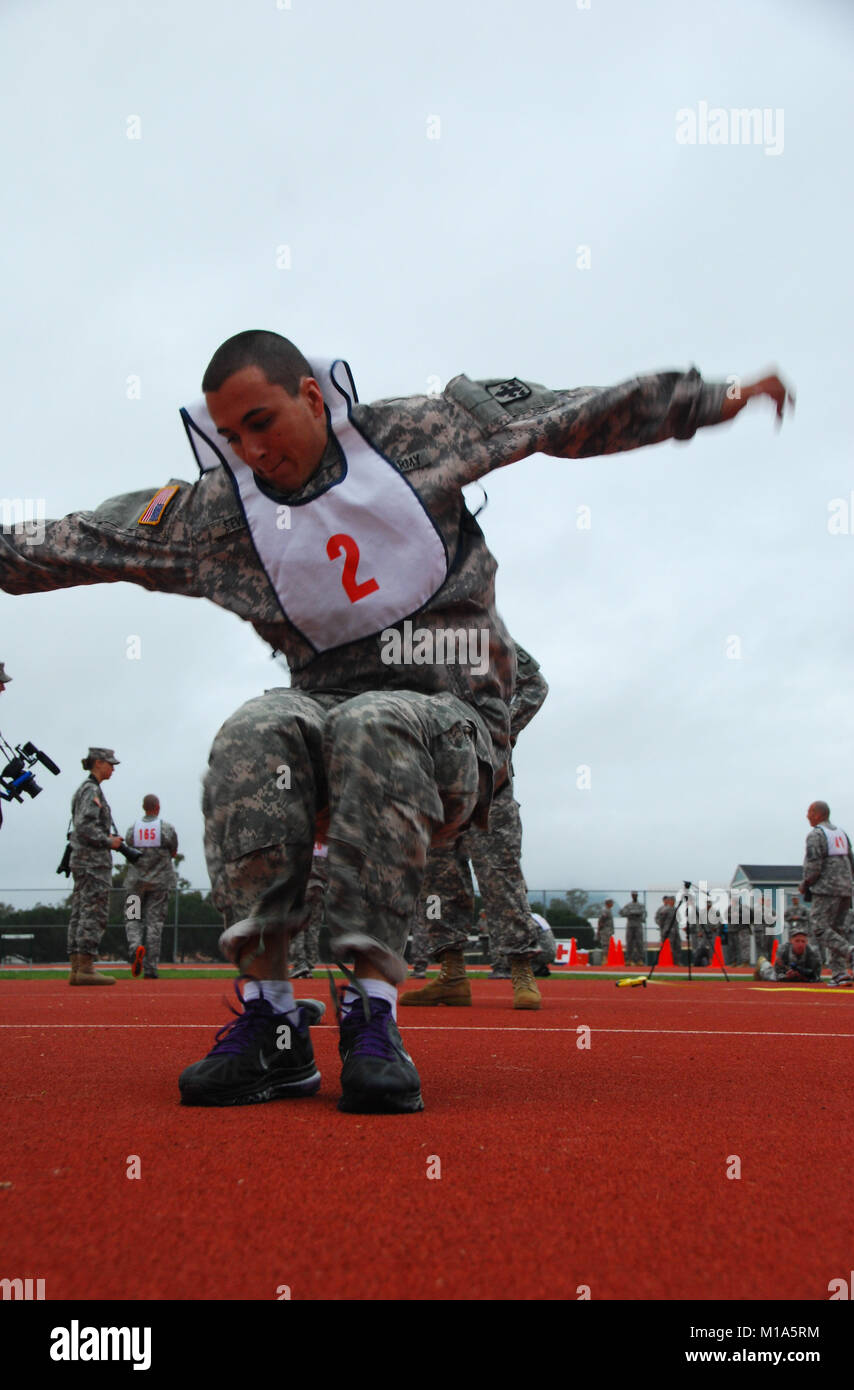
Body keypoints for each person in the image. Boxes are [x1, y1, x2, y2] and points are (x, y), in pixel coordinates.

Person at [0, 330, 792, 1112]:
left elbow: (565, 415)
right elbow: (83, 540)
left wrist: (710, 398)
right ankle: (273, 1023)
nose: (254, 451)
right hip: (329, 724)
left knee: (376, 721)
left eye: (263, 422)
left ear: (312, 397)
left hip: (452, 727)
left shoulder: (417, 435)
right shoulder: (223, 516)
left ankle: (373, 1015)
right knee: (252, 731)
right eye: (233, 436)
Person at [401, 642, 548, 1009]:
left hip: (489, 782)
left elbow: (535, 686)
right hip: (435, 782)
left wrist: (499, 732)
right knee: (438, 882)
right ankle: (452, 975)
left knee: (499, 875)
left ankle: (521, 971)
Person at [67, 748, 123, 985]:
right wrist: (109, 841)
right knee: (93, 912)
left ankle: (76, 968)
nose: (113, 769)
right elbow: (85, 827)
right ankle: (86, 968)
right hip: (93, 863)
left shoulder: (86, 789)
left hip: (83, 861)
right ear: (98, 763)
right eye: (110, 764)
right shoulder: (91, 790)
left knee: (80, 912)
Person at [799, 800, 854, 988]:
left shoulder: (816, 835)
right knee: (836, 929)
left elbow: (814, 866)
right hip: (846, 889)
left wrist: (805, 883)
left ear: (819, 814)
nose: (807, 816)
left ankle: (851, 953)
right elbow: (853, 864)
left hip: (826, 889)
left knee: (819, 928)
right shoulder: (841, 834)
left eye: (810, 812)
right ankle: (839, 973)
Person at [124, 794, 179, 980]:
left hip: (134, 884)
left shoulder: (132, 829)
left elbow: (127, 848)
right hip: (159, 884)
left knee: (132, 918)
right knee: (154, 923)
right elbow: (174, 851)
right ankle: (151, 968)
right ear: (158, 807)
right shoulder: (166, 829)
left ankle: (135, 948)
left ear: (143, 807)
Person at [289, 840, 327, 978]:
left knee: (296, 925)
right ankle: (309, 963)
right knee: (313, 927)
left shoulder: (300, 837)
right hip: (320, 886)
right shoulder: (324, 841)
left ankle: (300, 963)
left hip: (301, 884)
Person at [754, 926, 822, 983]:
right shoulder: (782, 950)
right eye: (797, 941)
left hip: (804, 974)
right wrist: (786, 976)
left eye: (803, 941)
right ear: (791, 941)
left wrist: (802, 976)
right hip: (786, 971)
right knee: (770, 976)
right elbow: (777, 973)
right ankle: (763, 963)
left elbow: (816, 976)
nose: (800, 944)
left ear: (807, 942)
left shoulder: (813, 953)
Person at [622, 891, 647, 967]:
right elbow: (623, 913)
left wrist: (637, 914)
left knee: (639, 943)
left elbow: (644, 914)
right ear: (631, 896)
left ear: (637, 896)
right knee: (629, 943)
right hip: (630, 925)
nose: (634, 896)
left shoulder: (641, 905)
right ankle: (629, 959)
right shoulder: (628, 905)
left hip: (638, 925)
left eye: (635, 895)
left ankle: (640, 960)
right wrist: (632, 913)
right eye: (633, 895)